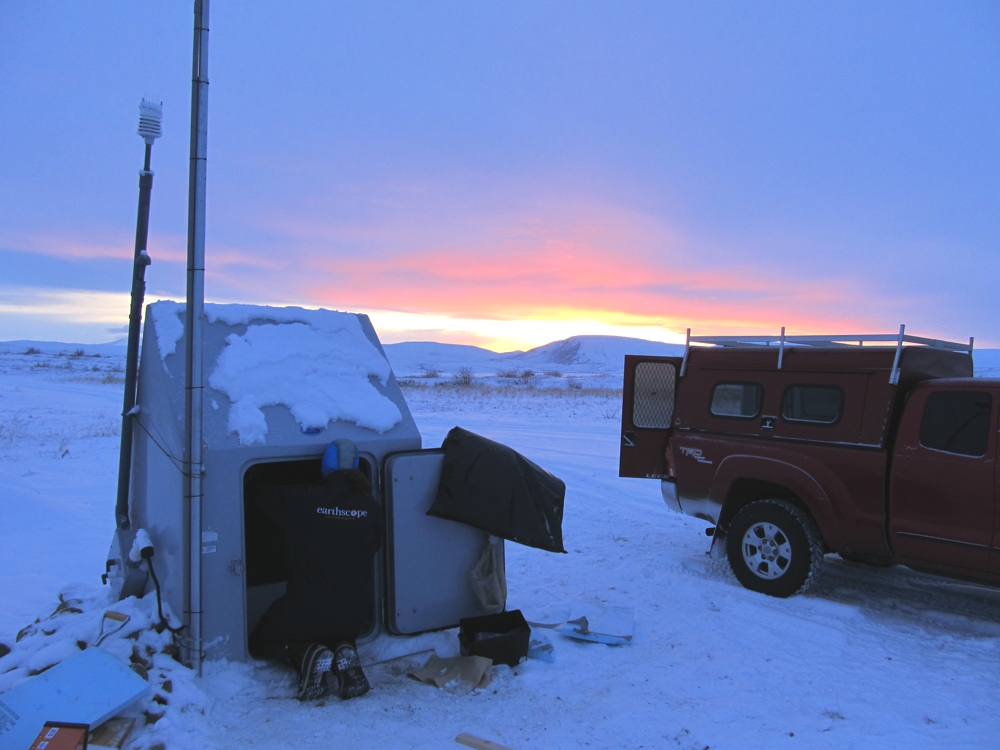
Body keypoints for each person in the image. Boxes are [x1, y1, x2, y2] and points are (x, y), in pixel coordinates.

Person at [248, 438, 384, 701]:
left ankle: (307, 654)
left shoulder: (305, 499)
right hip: (355, 616)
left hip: (306, 611)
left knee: (263, 639)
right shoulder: (372, 508)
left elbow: (259, 496)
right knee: (334, 626)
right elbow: (374, 543)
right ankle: (343, 650)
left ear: (325, 467)